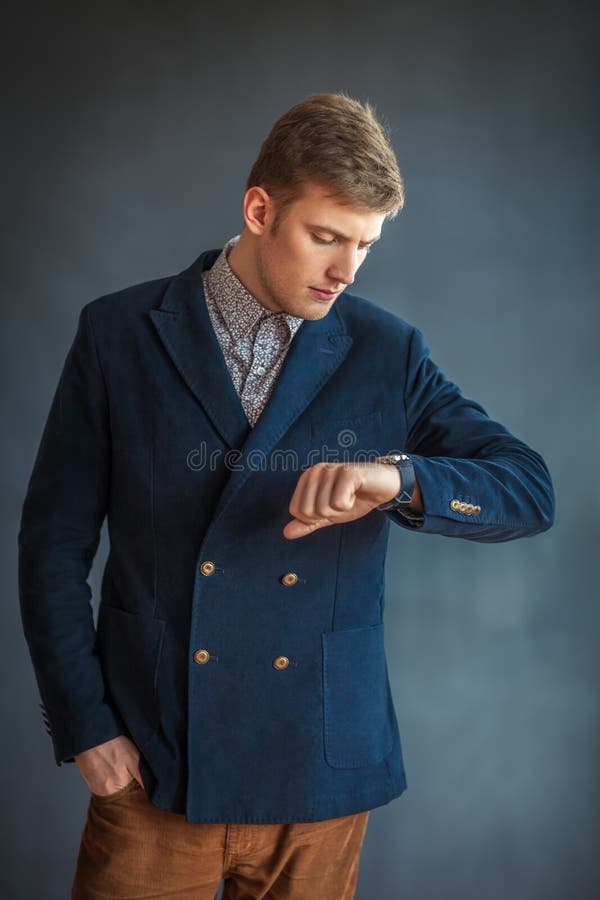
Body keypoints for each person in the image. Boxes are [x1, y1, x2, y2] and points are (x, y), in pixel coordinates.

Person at [18, 92, 554, 900]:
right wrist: (86, 726)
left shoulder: (386, 349)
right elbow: (52, 547)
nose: (346, 270)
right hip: (158, 765)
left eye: (365, 245)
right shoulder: (119, 334)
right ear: (260, 208)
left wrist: (396, 480)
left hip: (320, 771)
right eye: (327, 237)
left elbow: (527, 490)